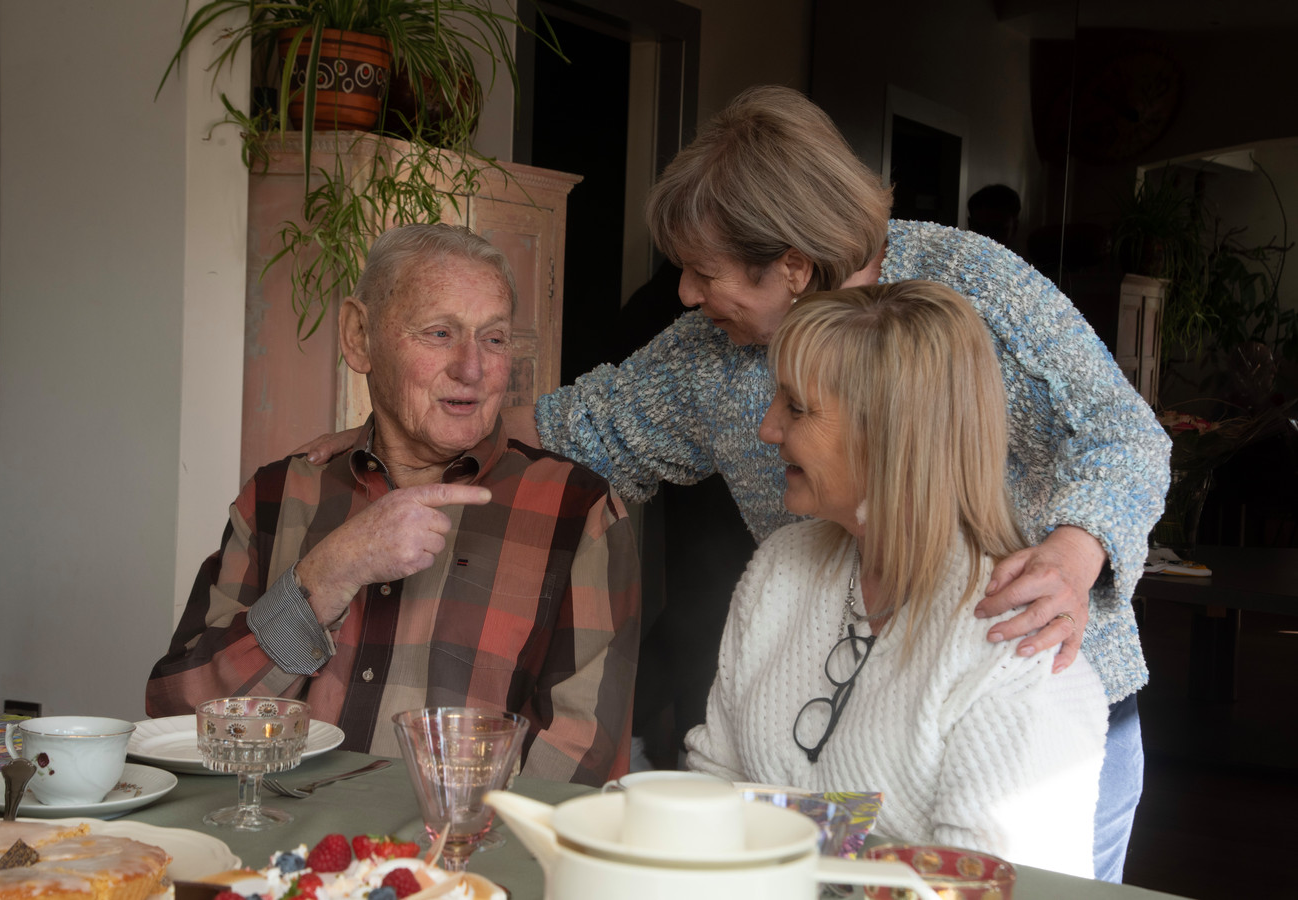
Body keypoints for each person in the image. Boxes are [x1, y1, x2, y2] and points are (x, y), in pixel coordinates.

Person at [300, 86, 1169, 880]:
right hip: (833, 703)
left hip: (1024, 652)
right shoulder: (712, 363)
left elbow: (1125, 432)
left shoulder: (971, 287)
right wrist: (390, 439)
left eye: (704, 271)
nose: (683, 293)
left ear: (791, 266)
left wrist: (1071, 552)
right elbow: (576, 428)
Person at [146, 224, 641, 786]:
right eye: (438, 333)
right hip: (275, 855)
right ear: (359, 337)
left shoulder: (579, 514)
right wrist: (323, 578)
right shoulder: (277, 497)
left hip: (459, 864)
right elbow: (176, 717)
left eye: (495, 338)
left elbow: (580, 766)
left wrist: (429, 857)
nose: (472, 368)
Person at [686, 282, 1108, 877]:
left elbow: (975, 885)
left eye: (797, 407)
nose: (768, 429)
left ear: (889, 435)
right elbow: (716, 783)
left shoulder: (1017, 645)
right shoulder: (782, 568)